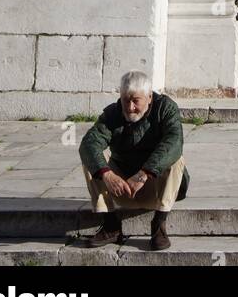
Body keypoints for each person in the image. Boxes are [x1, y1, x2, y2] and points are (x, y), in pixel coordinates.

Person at [78, 70, 189, 251]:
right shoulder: (113, 114)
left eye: (136, 101)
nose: (130, 107)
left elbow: (173, 142)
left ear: (149, 97)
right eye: (125, 100)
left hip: (155, 187)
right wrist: (107, 175)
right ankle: (111, 225)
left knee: (176, 159)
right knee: (93, 158)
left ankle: (159, 225)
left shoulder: (166, 109)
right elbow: (89, 144)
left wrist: (144, 173)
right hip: (123, 188)